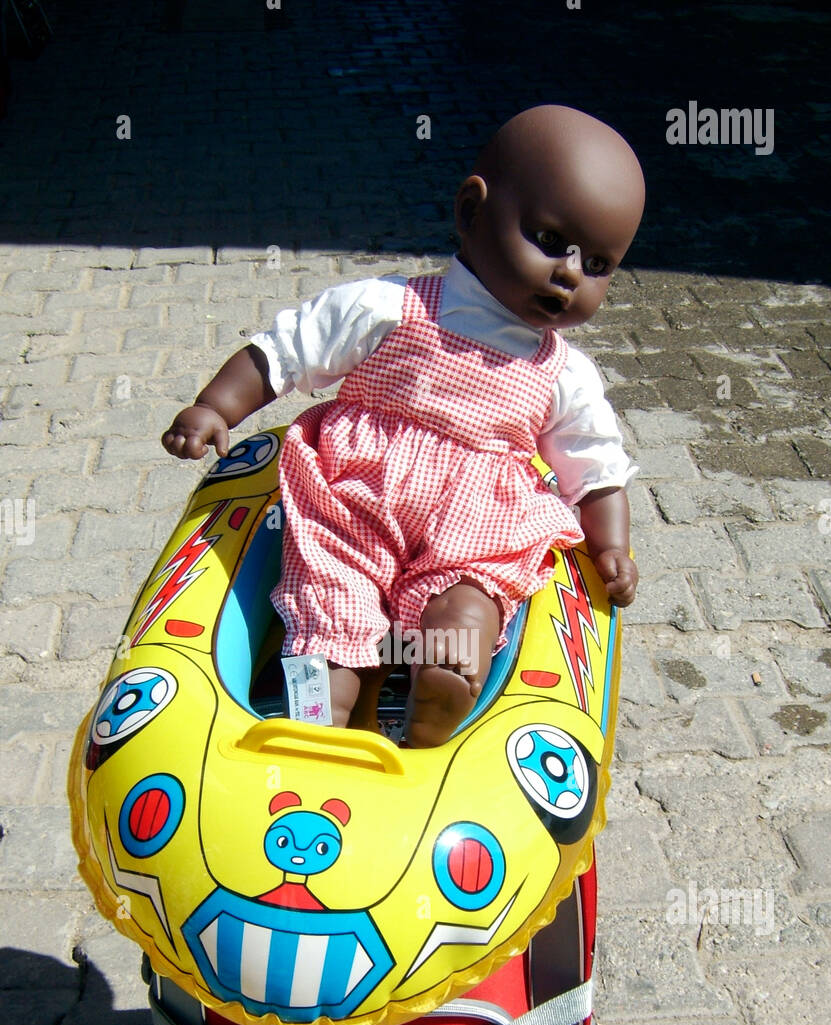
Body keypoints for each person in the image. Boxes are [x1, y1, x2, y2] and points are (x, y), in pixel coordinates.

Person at [162, 105, 645, 747]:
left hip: (474, 522)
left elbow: (595, 467)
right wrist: (215, 408)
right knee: (332, 599)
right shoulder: (391, 307)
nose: (569, 275)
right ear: (472, 213)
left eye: (598, 265)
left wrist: (610, 544)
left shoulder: (565, 374)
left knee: (468, 602)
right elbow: (288, 349)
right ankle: (319, 716)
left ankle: (439, 694)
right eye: (551, 242)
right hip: (356, 502)